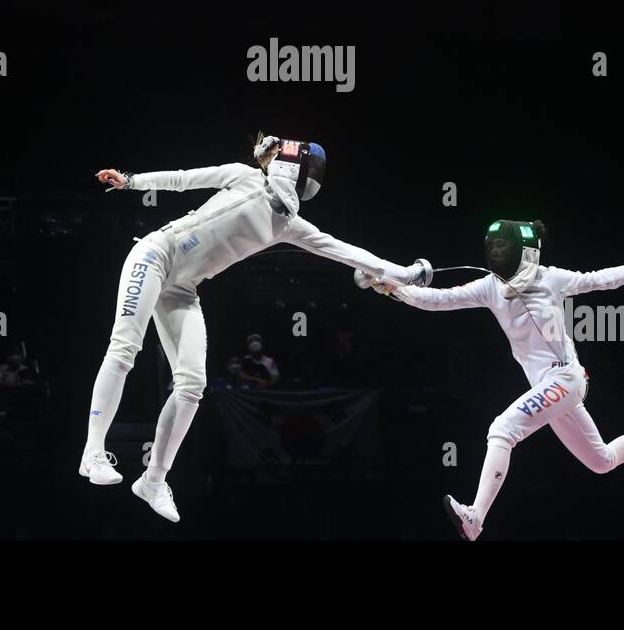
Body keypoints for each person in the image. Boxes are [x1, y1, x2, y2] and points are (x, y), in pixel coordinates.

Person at [79, 134, 429, 523]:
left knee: (192, 386)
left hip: (182, 289)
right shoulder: (243, 176)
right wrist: (131, 181)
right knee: (125, 348)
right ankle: (93, 451)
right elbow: (181, 179)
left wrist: (406, 274)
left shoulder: (289, 224)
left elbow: (347, 252)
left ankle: (154, 480)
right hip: (155, 255)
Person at [359, 219, 624, 541]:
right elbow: (437, 300)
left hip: (565, 377)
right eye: (491, 243)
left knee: (502, 430)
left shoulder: (552, 279)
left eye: (502, 243)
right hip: (549, 387)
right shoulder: (489, 287)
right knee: (602, 461)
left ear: (524, 249)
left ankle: (475, 517)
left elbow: (600, 279)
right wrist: (393, 289)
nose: (494, 249)